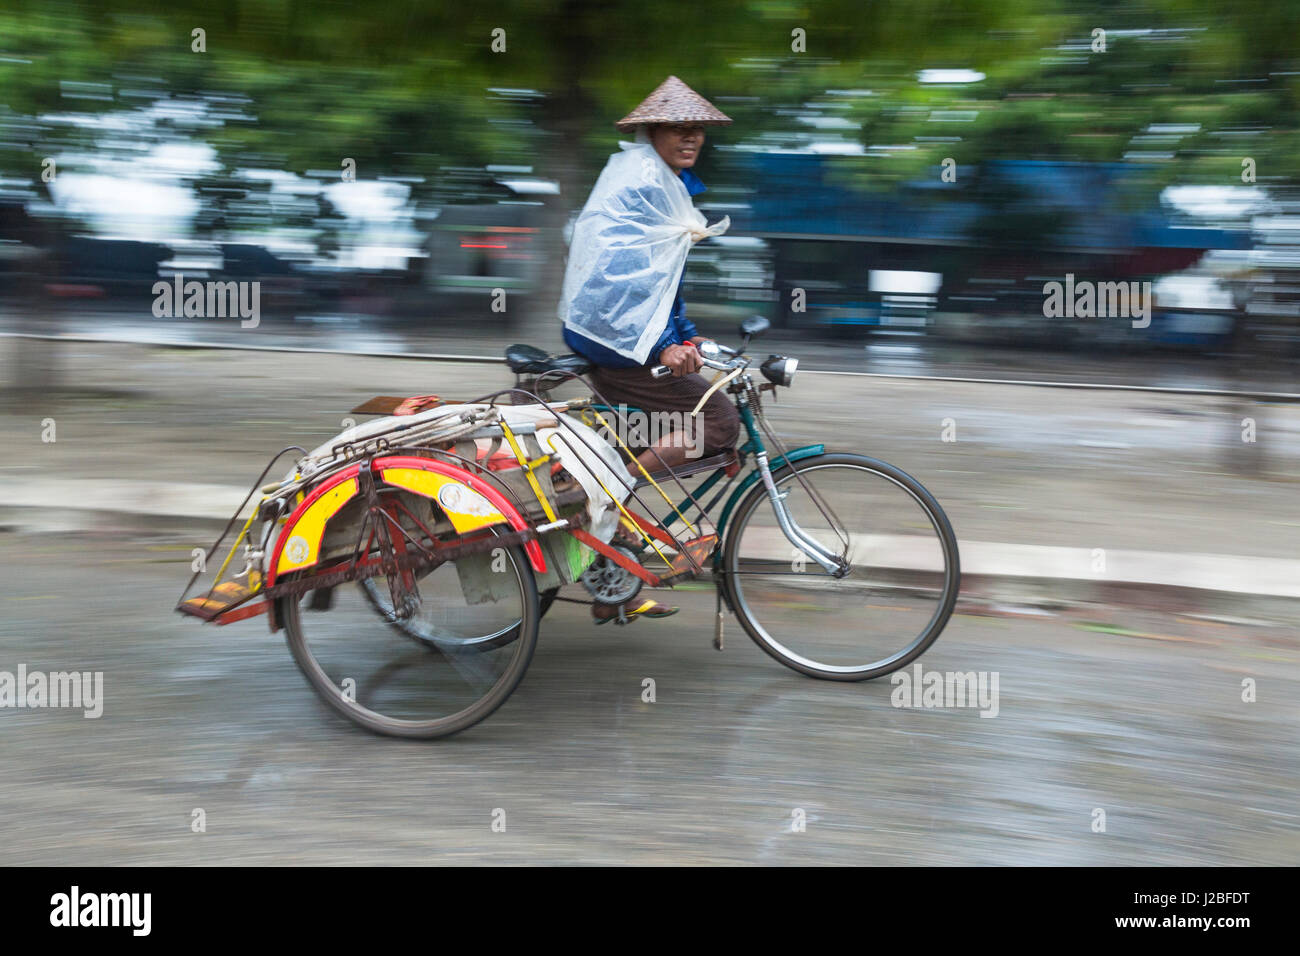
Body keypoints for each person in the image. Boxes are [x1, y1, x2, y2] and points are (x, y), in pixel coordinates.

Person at [560, 76, 741, 624]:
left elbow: (662, 282)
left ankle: (611, 544)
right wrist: (664, 346)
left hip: (626, 332)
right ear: (652, 131)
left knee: (681, 422)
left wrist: (685, 336)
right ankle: (609, 505)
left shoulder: (660, 182)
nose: (691, 138)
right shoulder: (643, 184)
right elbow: (620, 278)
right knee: (719, 423)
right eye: (678, 128)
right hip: (612, 337)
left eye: (698, 130)